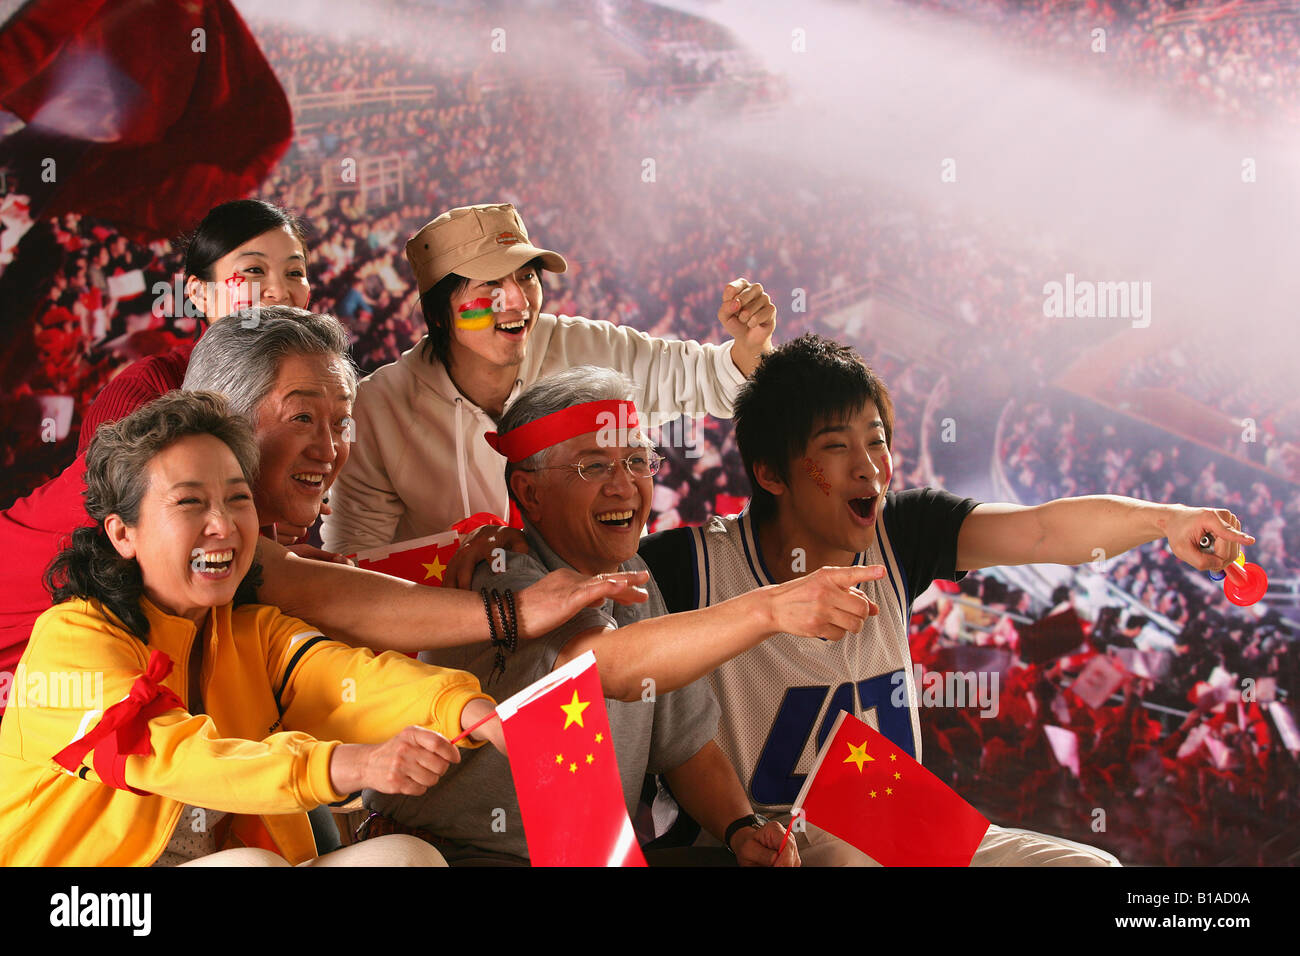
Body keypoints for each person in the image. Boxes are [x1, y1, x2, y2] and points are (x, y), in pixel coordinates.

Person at [639, 334, 1256, 866]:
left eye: (876, 441)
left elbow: (1043, 530)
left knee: (1094, 863)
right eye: (836, 447)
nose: (871, 469)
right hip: (771, 846)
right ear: (772, 472)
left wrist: (1165, 520)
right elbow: (645, 714)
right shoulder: (683, 569)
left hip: (905, 825)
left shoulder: (904, 531)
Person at [362, 366, 885, 866]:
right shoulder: (500, 575)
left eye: (637, 461)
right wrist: (770, 608)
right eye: (594, 466)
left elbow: (684, 745)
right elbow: (599, 667)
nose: (624, 484)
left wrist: (741, 829)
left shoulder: (633, 570)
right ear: (529, 493)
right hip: (458, 855)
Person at [0, 391, 503, 866]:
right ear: (122, 533)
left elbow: (353, 682)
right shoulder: (71, 638)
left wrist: (475, 712)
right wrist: (356, 765)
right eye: (190, 502)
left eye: (238, 499)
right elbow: (172, 756)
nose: (223, 524)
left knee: (406, 858)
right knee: (251, 865)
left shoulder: (253, 633)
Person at [0, 198, 312, 714]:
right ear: (197, 292)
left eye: (295, 271)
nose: (281, 291)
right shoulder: (150, 390)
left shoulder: (278, 397)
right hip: (31, 607)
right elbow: (138, 547)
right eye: (253, 270)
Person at [321, 202, 778, 554]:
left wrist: (751, 347)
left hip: (595, 627)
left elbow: (710, 380)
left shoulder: (584, 348)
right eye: (489, 286)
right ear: (440, 313)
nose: (517, 301)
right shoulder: (378, 411)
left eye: (526, 277)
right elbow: (360, 565)